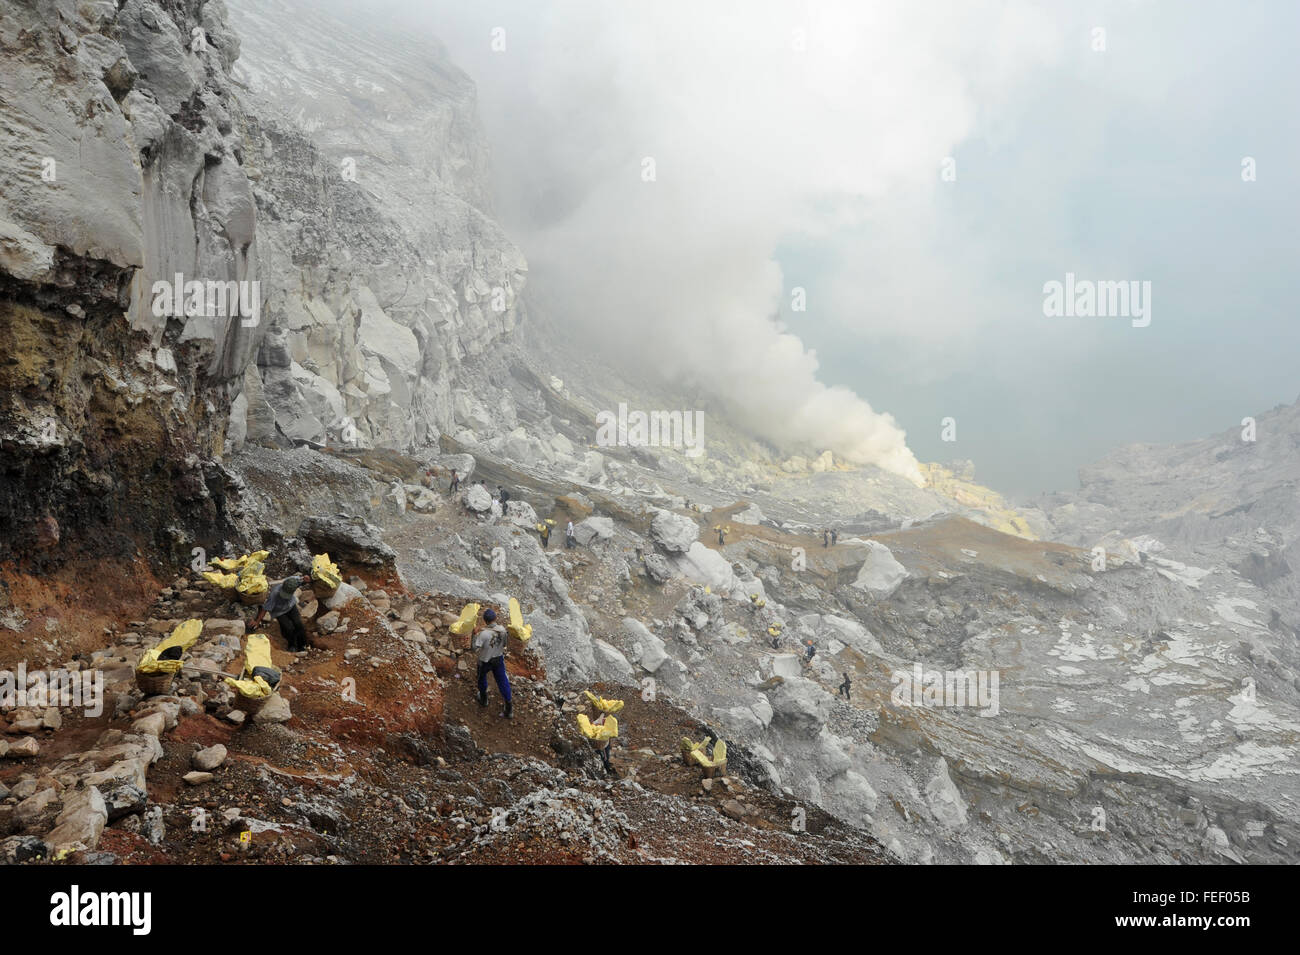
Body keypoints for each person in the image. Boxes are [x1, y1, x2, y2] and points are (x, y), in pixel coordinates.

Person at [472, 608, 513, 718]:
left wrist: (474, 635)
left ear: (485, 620)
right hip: (498, 659)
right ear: (495, 618)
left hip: (485, 660)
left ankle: (484, 699)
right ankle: (509, 708)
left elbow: (474, 648)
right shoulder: (502, 630)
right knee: (502, 681)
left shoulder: (483, 634)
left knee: (481, 678)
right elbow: (504, 645)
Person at [250, 575, 308, 653]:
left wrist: (306, 579)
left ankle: (302, 645)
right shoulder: (274, 594)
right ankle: (292, 645)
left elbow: (303, 580)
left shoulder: (294, 582)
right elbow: (265, 609)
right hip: (279, 611)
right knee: (288, 628)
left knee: (298, 623)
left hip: (290, 605)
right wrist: (257, 621)